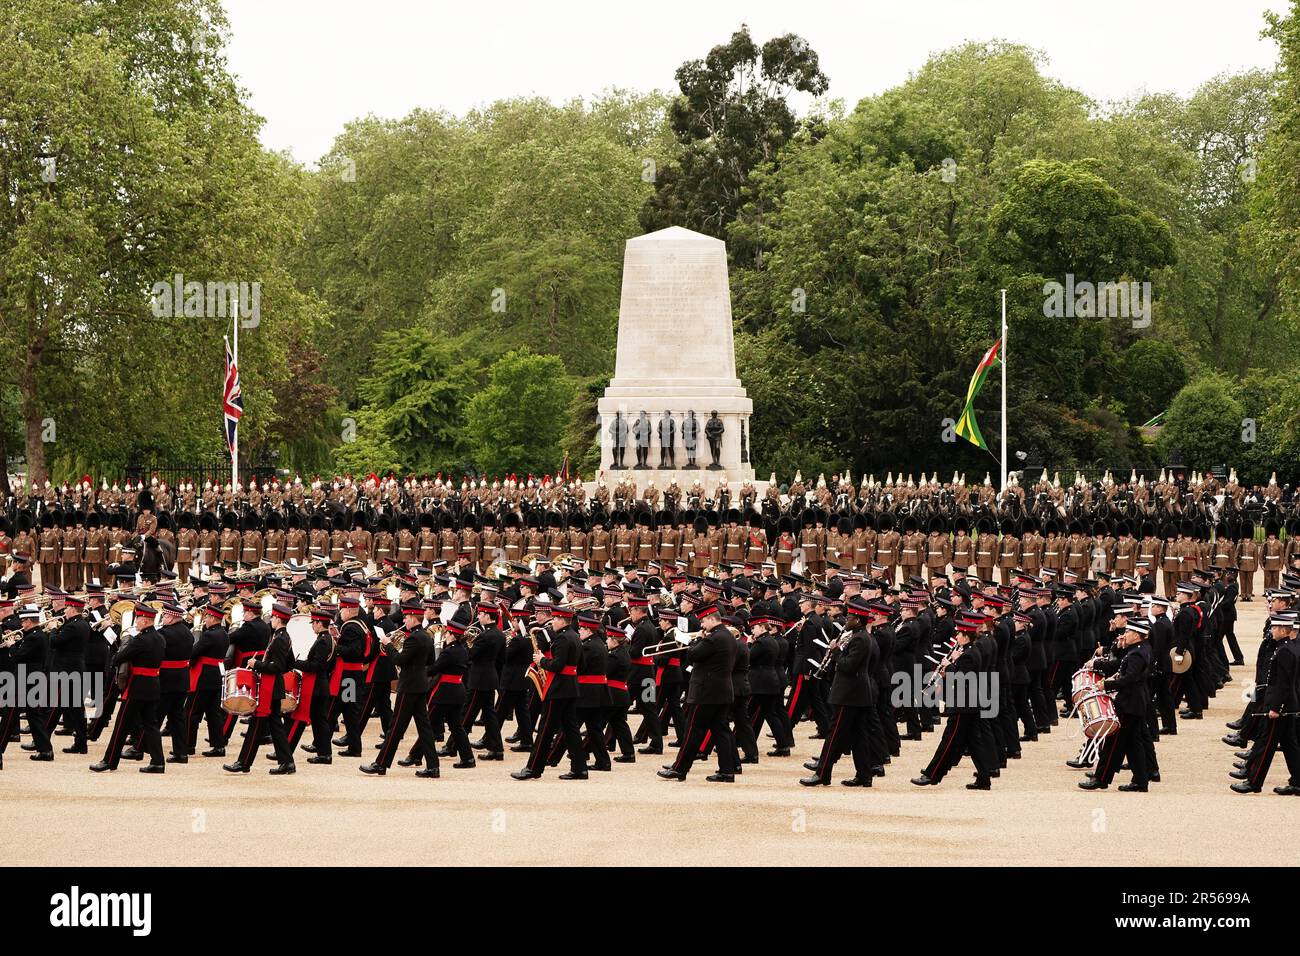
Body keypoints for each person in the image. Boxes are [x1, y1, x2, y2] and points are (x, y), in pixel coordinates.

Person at [800, 596, 879, 787]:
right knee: (858, 736)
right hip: (855, 694)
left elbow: (848, 666)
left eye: (850, 617)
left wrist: (835, 651)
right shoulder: (859, 636)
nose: (847, 620)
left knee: (834, 735)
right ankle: (864, 775)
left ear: (858, 620)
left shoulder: (860, 639)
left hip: (850, 694)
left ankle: (823, 774)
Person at [657, 603, 738, 782]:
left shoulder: (713, 638)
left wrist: (697, 639)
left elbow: (692, 654)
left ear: (711, 619)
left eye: (703, 621)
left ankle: (680, 768)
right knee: (721, 731)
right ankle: (727, 770)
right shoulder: (728, 636)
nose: (701, 625)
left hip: (706, 692)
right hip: (722, 691)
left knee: (693, 731)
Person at [362, 601, 439, 777]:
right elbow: (430, 662)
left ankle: (381, 764)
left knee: (395, 727)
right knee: (424, 728)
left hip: (409, 685)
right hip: (420, 685)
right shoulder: (426, 636)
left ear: (413, 618)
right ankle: (433, 766)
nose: (404, 619)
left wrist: (388, 644)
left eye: (406, 617)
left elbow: (399, 659)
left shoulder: (414, 638)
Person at [1079, 618, 1153, 792]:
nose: (1125, 635)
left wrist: (1107, 685)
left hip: (1129, 703)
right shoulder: (1140, 650)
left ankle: (1101, 778)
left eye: (1128, 632)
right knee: (1134, 744)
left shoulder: (1136, 653)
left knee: (1113, 742)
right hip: (1135, 702)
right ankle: (1141, 781)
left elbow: (1130, 679)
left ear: (1136, 635)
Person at [90, 603, 165, 773]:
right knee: (151, 726)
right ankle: (158, 761)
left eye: (138, 619)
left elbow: (118, 658)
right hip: (153, 685)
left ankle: (110, 760)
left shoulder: (140, 639)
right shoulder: (160, 638)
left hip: (137, 687)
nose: (136, 622)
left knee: (121, 725)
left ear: (145, 620)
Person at [1230, 613, 1299, 795]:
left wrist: (1276, 707)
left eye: (1275, 628)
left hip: (1280, 706)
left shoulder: (1284, 650)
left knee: (1265, 745)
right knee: (1290, 747)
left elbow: (1283, 684)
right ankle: (1298, 781)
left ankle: (1254, 781)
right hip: (1286, 705)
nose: (1272, 630)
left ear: (1284, 630)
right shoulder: (1285, 647)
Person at [224, 603, 296, 775]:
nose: (271, 620)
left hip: (269, 687)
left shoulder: (279, 639)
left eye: (273, 617)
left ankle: (244, 762)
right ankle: (287, 762)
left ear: (278, 619)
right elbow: (290, 663)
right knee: (276, 727)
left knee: (256, 726)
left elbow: (278, 666)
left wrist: (257, 664)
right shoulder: (283, 636)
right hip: (274, 686)